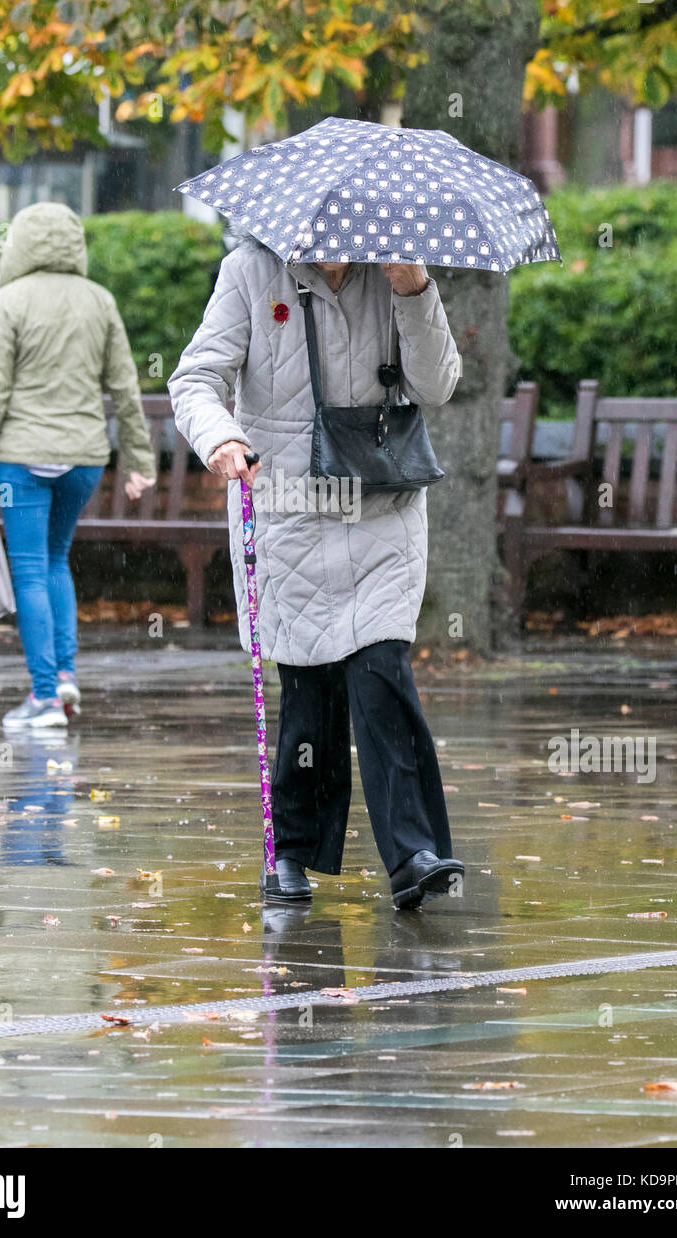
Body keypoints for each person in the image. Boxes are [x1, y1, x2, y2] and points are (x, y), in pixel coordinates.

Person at [169, 237, 464, 909]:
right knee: (311, 688)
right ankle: (293, 851)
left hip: (381, 503)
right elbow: (195, 378)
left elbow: (438, 385)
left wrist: (415, 291)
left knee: (381, 670)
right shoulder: (249, 271)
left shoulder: (395, 271)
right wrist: (219, 437)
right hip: (290, 510)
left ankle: (413, 851)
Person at [0, 201, 156, 729]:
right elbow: (124, 388)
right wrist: (139, 458)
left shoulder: (10, 301)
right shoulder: (100, 300)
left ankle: (44, 697)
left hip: (22, 460)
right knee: (55, 558)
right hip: (84, 459)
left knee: (28, 569)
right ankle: (63, 675)